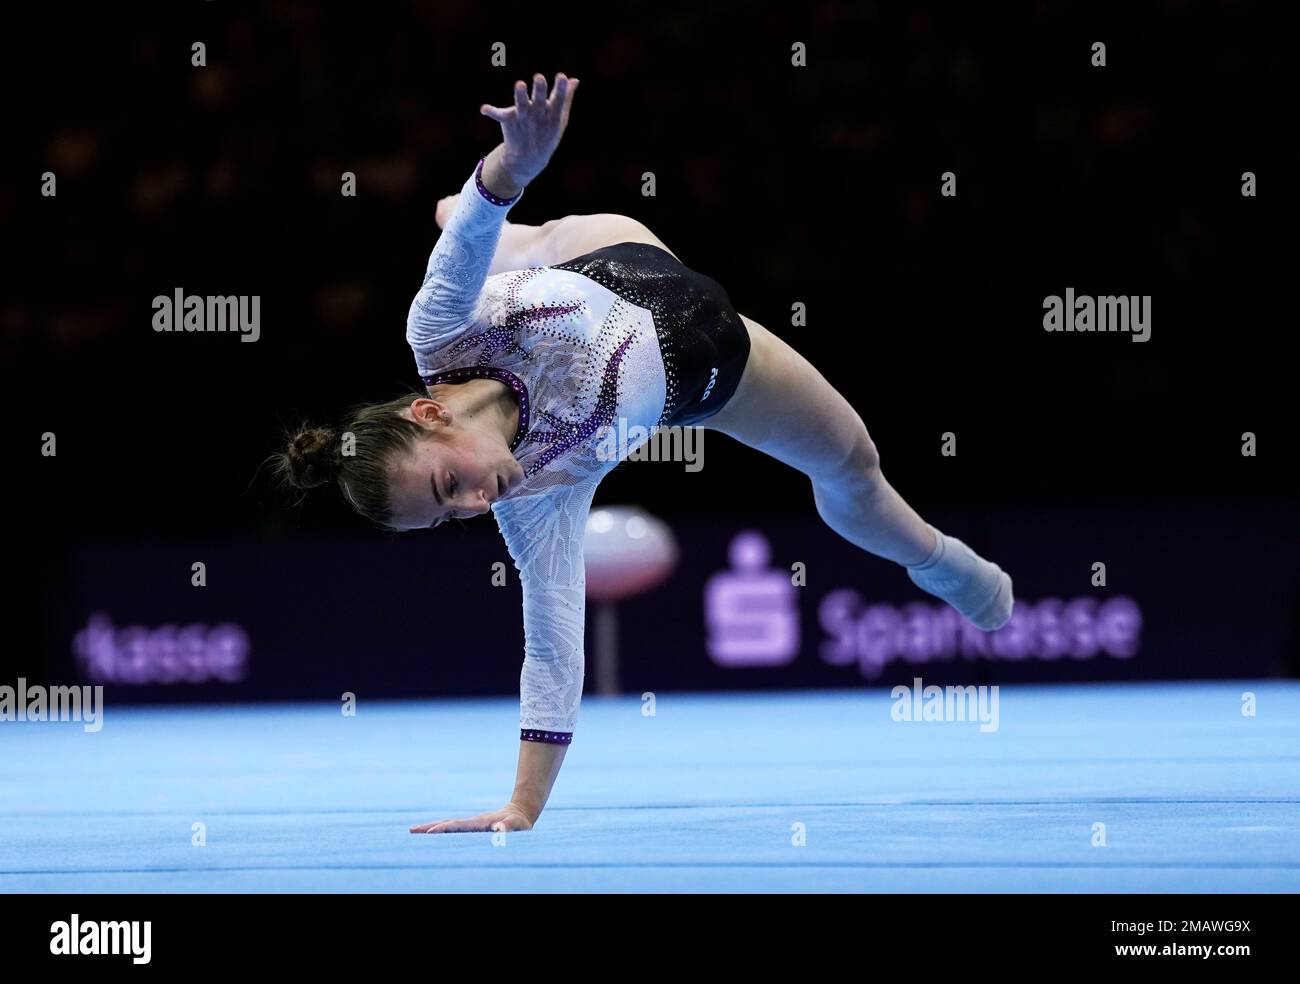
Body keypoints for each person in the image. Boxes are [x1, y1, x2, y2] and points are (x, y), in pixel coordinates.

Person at [274, 72, 1014, 834]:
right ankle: (939, 561)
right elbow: (552, 644)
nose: (474, 504)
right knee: (850, 466)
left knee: (483, 238)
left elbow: (468, 237)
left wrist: (513, 167)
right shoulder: (534, 499)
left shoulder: (439, 331)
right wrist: (523, 805)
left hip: (604, 255)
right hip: (713, 367)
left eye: (446, 486)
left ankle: (507, 234)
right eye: (448, 518)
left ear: (429, 413)